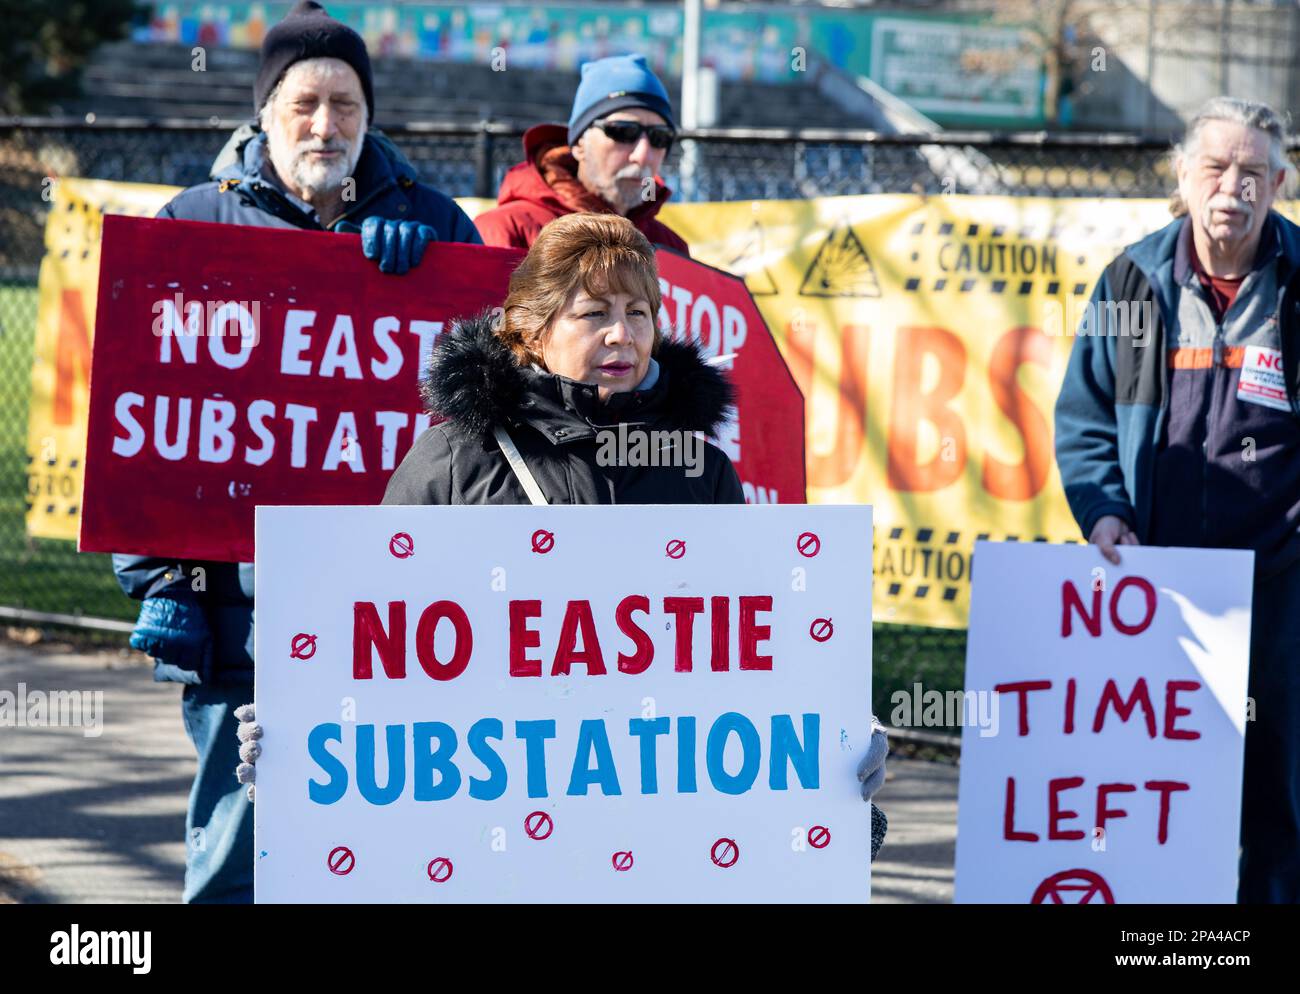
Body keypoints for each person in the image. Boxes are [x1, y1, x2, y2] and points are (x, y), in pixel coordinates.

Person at [235, 213, 890, 864]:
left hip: (653, 832)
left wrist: (828, 778)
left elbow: (750, 657)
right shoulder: (455, 459)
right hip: (486, 830)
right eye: (594, 313)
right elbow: (372, 635)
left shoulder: (699, 469)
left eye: (639, 312)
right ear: (532, 331)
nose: (623, 334)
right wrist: (295, 741)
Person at [111, 0, 482, 905]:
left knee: (389, 837)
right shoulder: (196, 223)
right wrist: (162, 582)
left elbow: (493, 395)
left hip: (394, 607)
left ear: (371, 113)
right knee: (244, 833)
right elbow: (140, 418)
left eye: (347, 104)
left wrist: (431, 270)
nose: (326, 124)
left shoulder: (437, 223)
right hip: (240, 612)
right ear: (264, 113)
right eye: (304, 103)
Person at [1054, 96, 1300, 902]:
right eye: (1217, 168)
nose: (1234, 187)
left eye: (1254, 172)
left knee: (1280, 803)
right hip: (1159, 592)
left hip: (1283, 594)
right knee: (1162, 794)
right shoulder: (1131, 280)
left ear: (1281, 182)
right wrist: (1105, 512)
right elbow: (1086, 420)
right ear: (1183, 179)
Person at [473, 53, 690, 255]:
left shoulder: (670, 249)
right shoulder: (505, 232)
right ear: (579, 144)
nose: (642, 155)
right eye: (623, 132)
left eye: (659, 137)